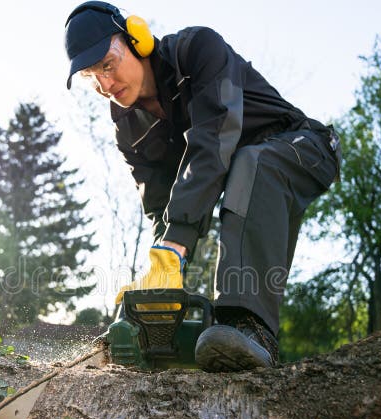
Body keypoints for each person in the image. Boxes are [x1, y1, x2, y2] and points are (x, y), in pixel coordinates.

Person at [64, 1, 341, 371]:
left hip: (302, 145)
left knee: (250, 162)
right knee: (228, 184)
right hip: (245, 168)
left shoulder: (197, 52)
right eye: (92, 77)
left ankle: (251, 330)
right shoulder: (128, 128)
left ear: (137, 38)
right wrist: (157, 278)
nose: (105, 85)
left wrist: (176, 242)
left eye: (107, 65)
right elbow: (162, 207)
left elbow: (215, 139)